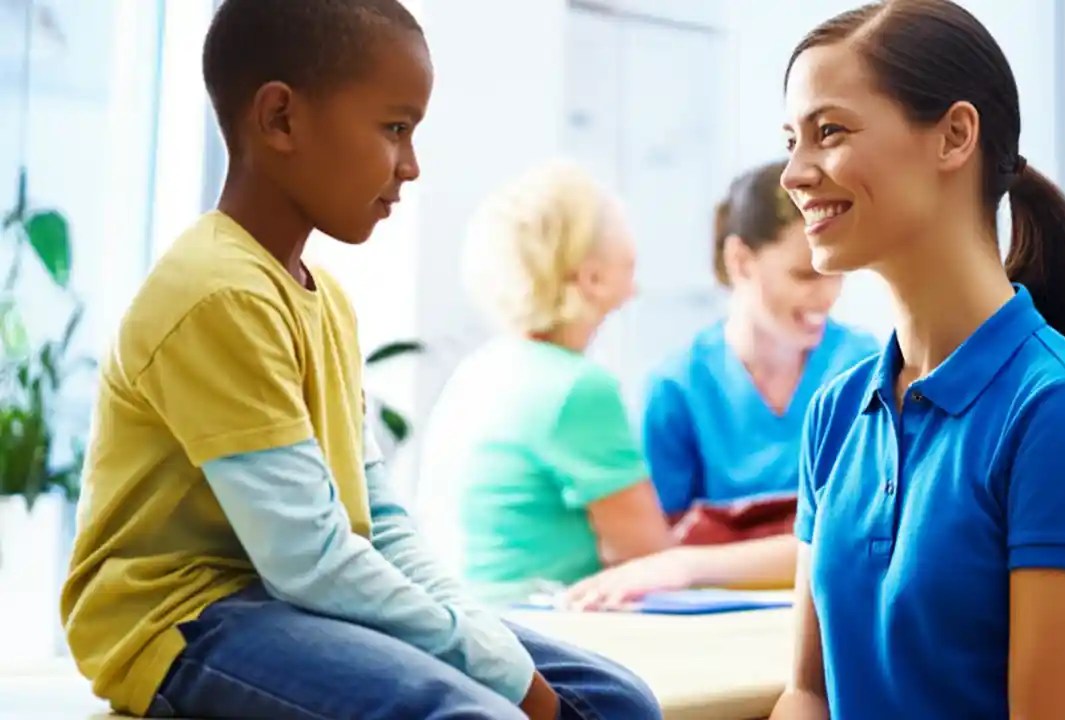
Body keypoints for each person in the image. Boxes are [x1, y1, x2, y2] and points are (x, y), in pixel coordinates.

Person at [59, 2, 660, 719]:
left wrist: (473, 631)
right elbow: (307, 559)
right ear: (281, 119)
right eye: (394, 128)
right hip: (187, 618)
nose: (410, 166)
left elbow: (377, 514)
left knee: (614, 702)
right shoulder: (215, 293)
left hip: (290, 601)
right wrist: (506, 675)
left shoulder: (325, 300)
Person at [771, 2, 1065, 719]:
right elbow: (809, 692)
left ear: (954, 135)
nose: (794, 173)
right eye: (791, 139)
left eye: (829, 132)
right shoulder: (836, 411)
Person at [563, 161, 879, 605]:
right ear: (740, 261)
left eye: (837, 270)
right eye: (805, 275)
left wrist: (692, 565)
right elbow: (655, 553)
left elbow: (863, 538)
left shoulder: (867, 371)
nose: (827, 294)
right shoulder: (677, 387)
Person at [417, 161, 673, 605]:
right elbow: (649, 559)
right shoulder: (576, 389)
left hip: (466, 618)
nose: (637, 284)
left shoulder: (483, 368)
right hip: (537, 630)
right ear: (592, 278)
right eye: (629, 263)